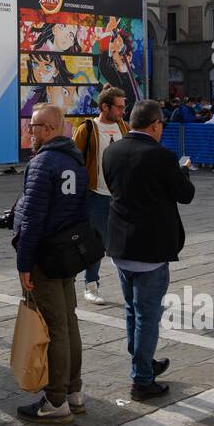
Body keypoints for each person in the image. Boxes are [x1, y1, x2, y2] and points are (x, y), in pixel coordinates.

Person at [103, 99, 195, 398]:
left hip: (120, 245)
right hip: (150, 249)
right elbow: (186, 195)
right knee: (148, 315)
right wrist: (183, 171)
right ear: (155, 124)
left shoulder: (112, 151)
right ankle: (142, 378)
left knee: (133, 311)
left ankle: (142, 362)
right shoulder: (162, 156)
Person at [13, 103, 88, 423]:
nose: (29, 133)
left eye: (33, 127)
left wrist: (24, 263)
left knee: (55, 326)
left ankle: (56, 401)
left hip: (45, 256)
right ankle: (73, 390)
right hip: (67, 254)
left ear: (49, 129)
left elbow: (32, 219)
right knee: (68, 322)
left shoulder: (43, 163)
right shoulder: (74, 159)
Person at [72, 85, 127, 305]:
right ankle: (90, 284)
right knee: (97, 244)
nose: (123, 110)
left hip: (121, 196)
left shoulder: (125, 127)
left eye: (124, 106)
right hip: (96, 195)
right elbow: (74, 161)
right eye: (119, 107)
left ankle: (129, 286)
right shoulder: (87, 129)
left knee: (122, 243)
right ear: (105, 107)